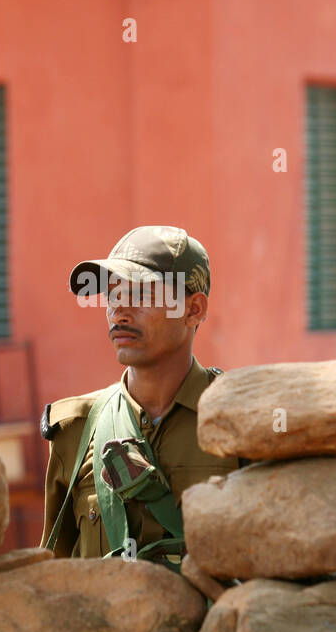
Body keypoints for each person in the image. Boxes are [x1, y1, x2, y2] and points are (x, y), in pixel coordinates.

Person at [38, 226, 240, 565]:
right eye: (113, 296)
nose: (120, 311)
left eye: (142, 296)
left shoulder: (241, 422)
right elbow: (54, 574)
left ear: (193, 309)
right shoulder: (75, 429)